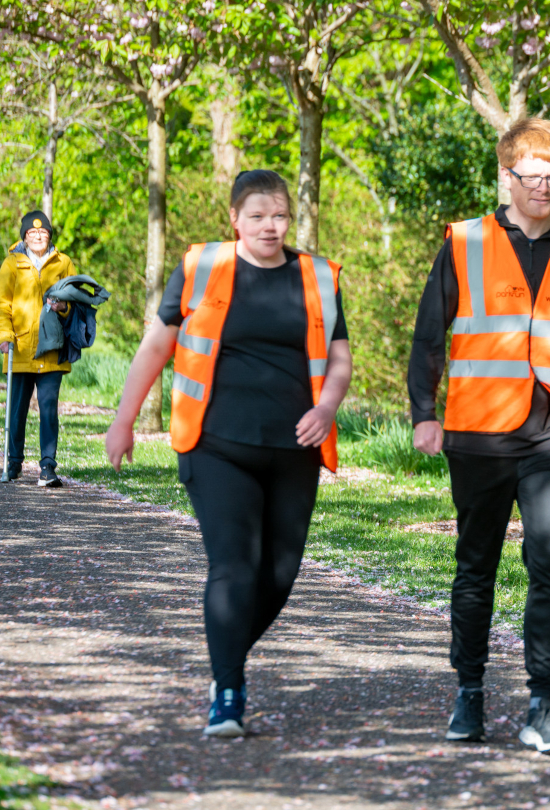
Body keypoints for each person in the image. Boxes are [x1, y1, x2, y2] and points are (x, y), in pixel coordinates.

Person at [105, 170, 352, 738]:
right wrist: (123, 421)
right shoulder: (201, 268)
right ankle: (228, 690)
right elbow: (157, 346)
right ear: (235, 219)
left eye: (280, 215)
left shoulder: (318, 276)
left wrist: (328, 407)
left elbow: (339, 357)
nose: (271, 225)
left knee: (280, 575)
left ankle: (225, 657)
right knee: (234, 565)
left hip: (295, 450)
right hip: (216, 447)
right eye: (258, 215)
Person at [408, 118, 550, 756]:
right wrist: (424, 412)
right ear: (507, 176)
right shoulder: (465, 242)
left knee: (548, 560)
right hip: (477, 431)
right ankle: (469, 692)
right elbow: (429, 333)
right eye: (533, 175)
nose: (544, 186)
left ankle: (542, 704)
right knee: (477, 567)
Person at [0, 211, 76, 487]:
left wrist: (64, 308)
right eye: (32, 233)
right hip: (20, 349)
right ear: (24, 236)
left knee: (49, 409)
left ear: (50, 236)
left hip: (52, 349)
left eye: (43, 233)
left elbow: (77, 300)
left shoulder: (63, 263)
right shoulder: (12, 264)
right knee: (17, 410)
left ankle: (48, 467)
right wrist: (5, 335)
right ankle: (14, 462)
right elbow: (2, 304)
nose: (38, 236)